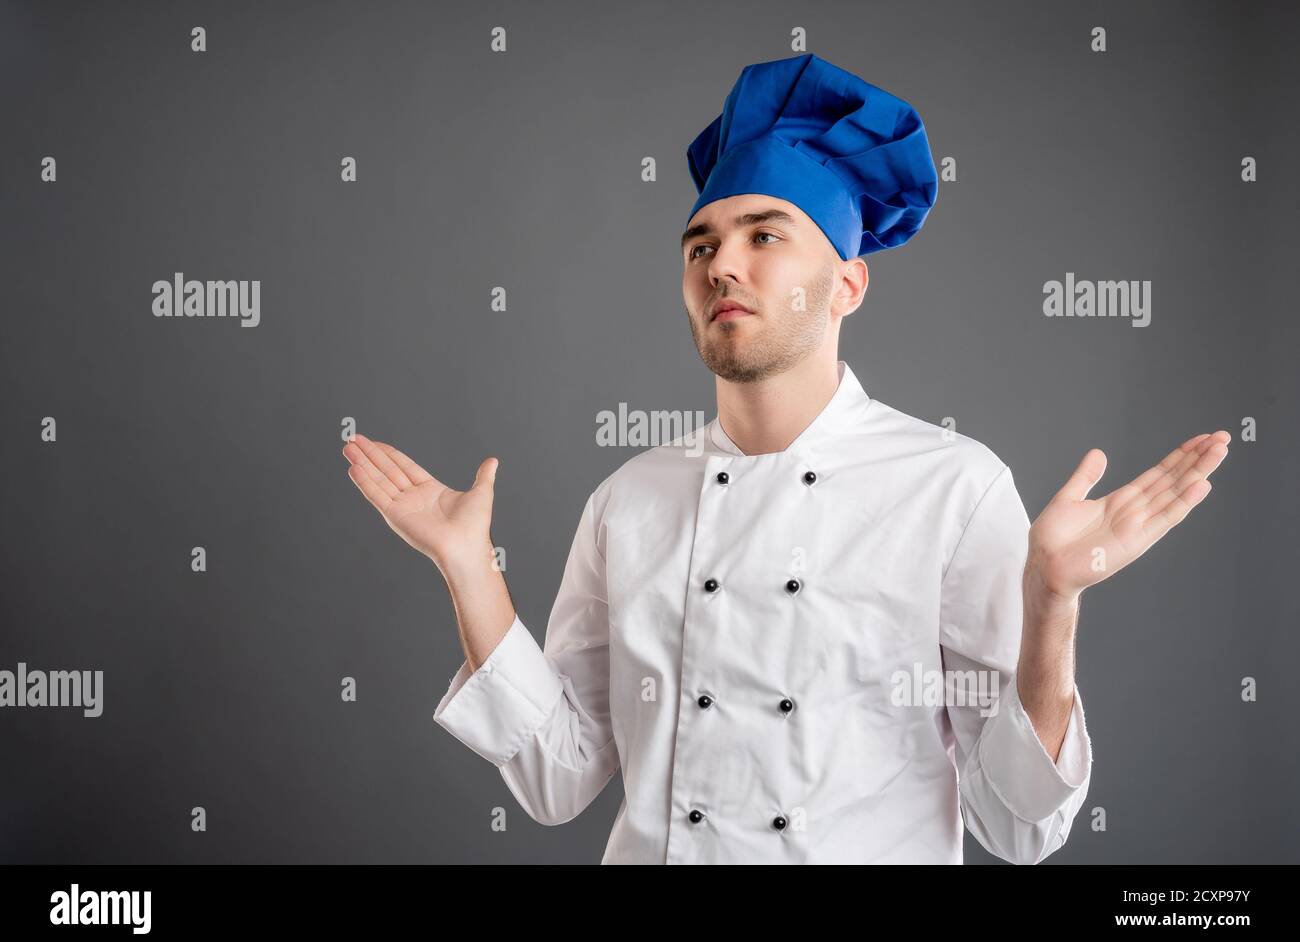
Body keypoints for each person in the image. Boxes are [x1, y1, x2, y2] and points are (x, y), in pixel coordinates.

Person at [341, 53, 1230, 864]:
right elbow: (557, 778)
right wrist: (467, 568)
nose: (723, 263)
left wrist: (1051, 602)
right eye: (702, 245)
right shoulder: (628, 501)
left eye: (766, 235)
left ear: (847, 282)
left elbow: (1021, 826)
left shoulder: (952, 488)